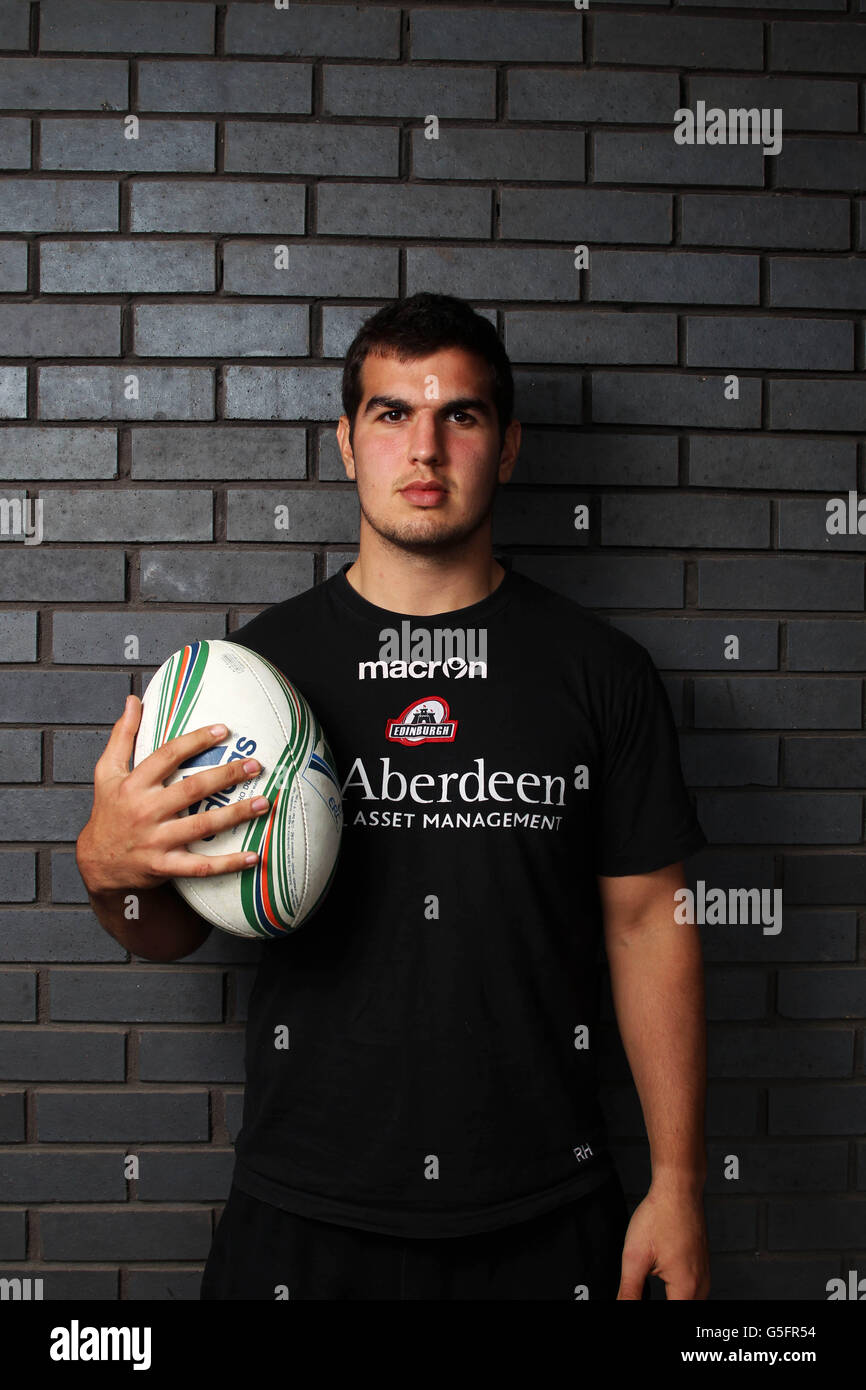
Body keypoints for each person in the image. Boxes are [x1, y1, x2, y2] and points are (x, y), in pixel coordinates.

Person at [77, 293, 711, 1301]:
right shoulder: (250, 676)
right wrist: (109, 873)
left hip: (543, 1209)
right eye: (389, 414)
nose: (424, 447)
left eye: (458, 415)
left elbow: (646, 924)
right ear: (345, 440)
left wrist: (676, 1182)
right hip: (304, 1212)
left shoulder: (600, 673)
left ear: (505, 446)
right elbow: (171, 930)